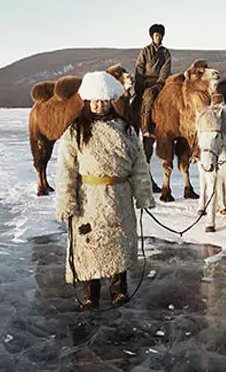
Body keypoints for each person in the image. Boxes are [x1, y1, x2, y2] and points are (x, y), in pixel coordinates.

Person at [55, 71, 156, 310]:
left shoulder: (126, 129)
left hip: (119, 196)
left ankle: (119, 289)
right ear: (88, 101)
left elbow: (139, 165)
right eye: (95, 101)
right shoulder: (76, 131)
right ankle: (91, 292)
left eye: (104, 101)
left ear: (111, 100)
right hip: (89, 198)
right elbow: (66, 169)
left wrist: (143, 195)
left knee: (118, 243)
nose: (100, 105)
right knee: (90, 244)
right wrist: (66, 201)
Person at [135, 23, 171, 137]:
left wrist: (161, 81)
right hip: (146, 81)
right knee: (144, 98)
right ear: (152, 36)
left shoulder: (165, 52)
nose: (158, 37)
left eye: (160, 35)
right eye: (156, 35)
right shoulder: (145, 51)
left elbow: (166, 68)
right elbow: (139, 67)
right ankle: (144, 127)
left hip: (160, 82)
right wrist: (139, 82)